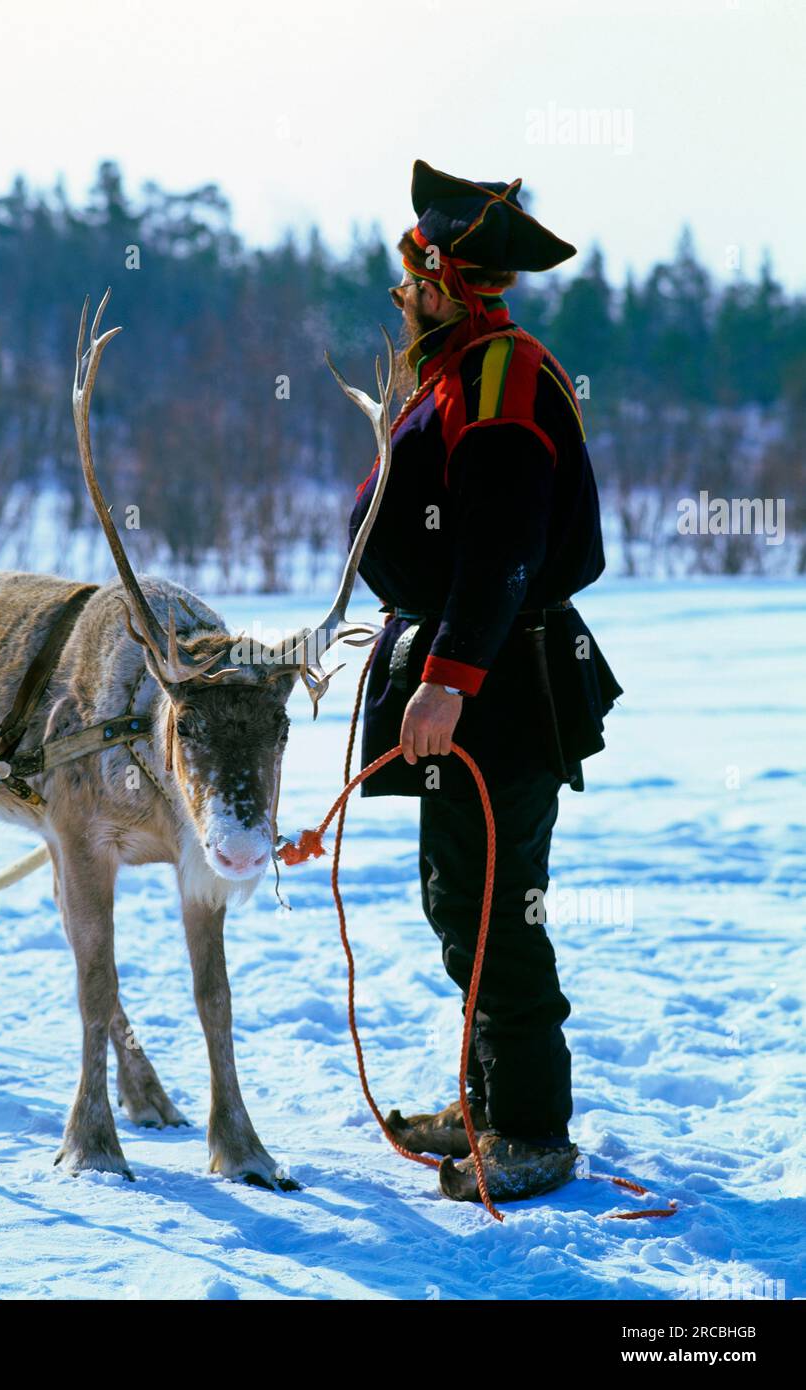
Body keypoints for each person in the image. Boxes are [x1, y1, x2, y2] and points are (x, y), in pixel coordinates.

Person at [349, 159, 623, 1202]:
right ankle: (486, 1102)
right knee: (459, 897)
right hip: (476, 677)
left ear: (443, 283)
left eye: (408, 281)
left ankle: (531, 1128)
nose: (399, 299)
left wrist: (448, 679)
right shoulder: (462, 373)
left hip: (505, 688)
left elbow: (503, 552)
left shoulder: (500, 382)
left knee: (498, 906)